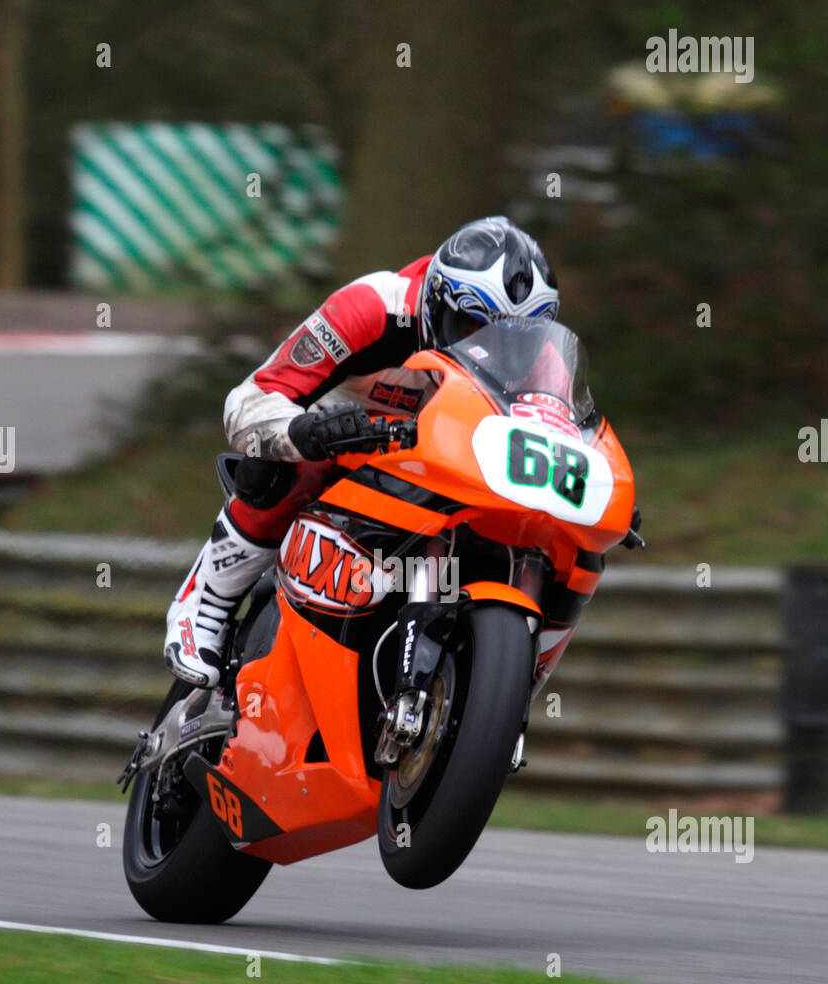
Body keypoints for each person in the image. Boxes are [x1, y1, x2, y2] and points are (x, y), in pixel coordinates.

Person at [164, 215, 560, 688]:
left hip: (442, 478)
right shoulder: (371, 307)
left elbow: (562, 438)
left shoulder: (544, 362)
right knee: (293, 465)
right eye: (473, 326)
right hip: (338, 453)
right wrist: (307, 431)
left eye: (513, 339)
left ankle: (502, 677)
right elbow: (246, 403)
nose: (491, 351)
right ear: (437, 302)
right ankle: (207, 601)